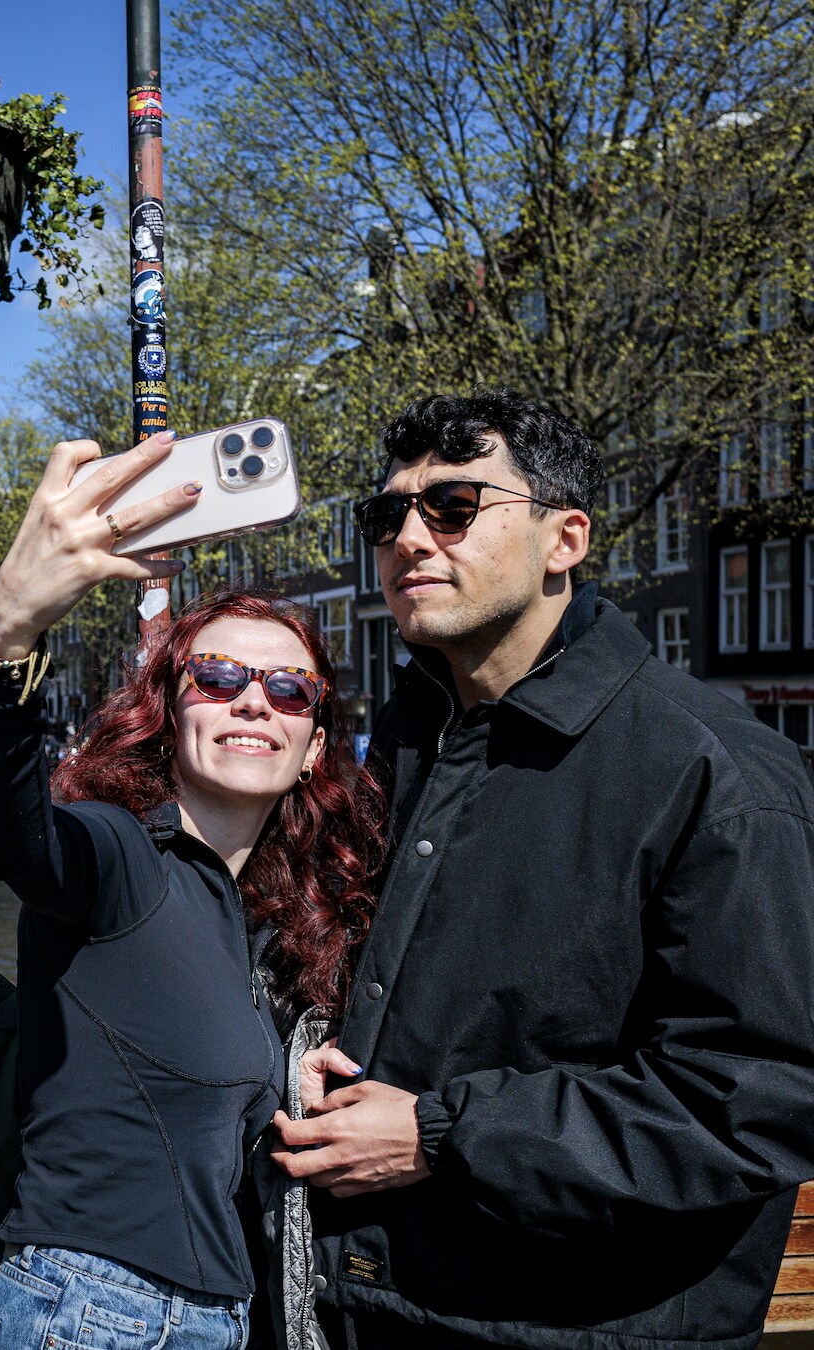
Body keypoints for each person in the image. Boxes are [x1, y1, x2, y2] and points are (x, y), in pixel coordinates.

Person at [269, 391, 814, 1349]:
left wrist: (443, 1137)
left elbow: (759, 1100)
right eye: (386, 516)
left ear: (564, 539)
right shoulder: (409, 739)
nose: (408, 539)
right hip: (370, 1309)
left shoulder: (712, 771)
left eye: (454, 507)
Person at [0, 430, 383, 1350]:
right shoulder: (118, 856)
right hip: (87, 1315)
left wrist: (288, 1078)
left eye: (289, 689)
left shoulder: (261, 927)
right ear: (169, 712)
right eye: (220, 676)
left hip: (214, 1323)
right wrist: (8, 637)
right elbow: (16, 835)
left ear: (315, 747)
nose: (251, 700)